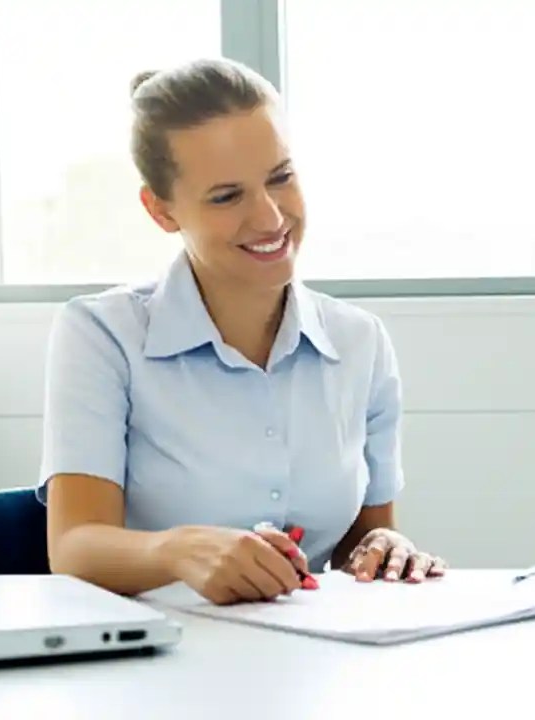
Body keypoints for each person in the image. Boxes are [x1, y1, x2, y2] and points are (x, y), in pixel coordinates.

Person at [40, 58, 445, 606]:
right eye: (228, 196)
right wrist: (178, 551)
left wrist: (383, 546)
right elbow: (73, 546)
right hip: (160, 660)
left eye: (281, 177)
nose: (271, 218)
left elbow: (357, 544)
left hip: (316, 659)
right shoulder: (101, 334)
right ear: (161, 210)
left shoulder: (361, 342)